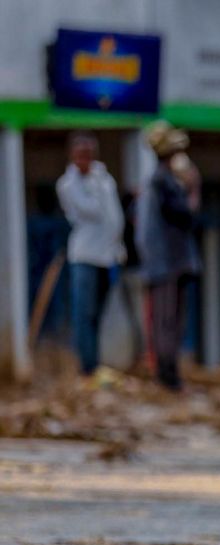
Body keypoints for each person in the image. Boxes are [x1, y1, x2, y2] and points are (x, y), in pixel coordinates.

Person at [135, 121, 201, 390]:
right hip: (167, 265)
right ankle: (168, 378)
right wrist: (194, 189)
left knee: (169, 322)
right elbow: (185, 215)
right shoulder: (163, 182)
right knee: (166, 322)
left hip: (169, 263)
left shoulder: (160, 181)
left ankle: (169, 375)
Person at [55, 131, 125, 376]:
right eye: (81, 155)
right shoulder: (68, 184)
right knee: (83, 314)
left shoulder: (104, 178)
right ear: (72, 156)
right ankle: (88, 369)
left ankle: (95, 364)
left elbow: (114, 216)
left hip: (108, 256)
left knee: (97, 313)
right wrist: (94, 183)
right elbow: (91, 211)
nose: (86, 160)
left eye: (89, 154)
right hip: (85, 256)